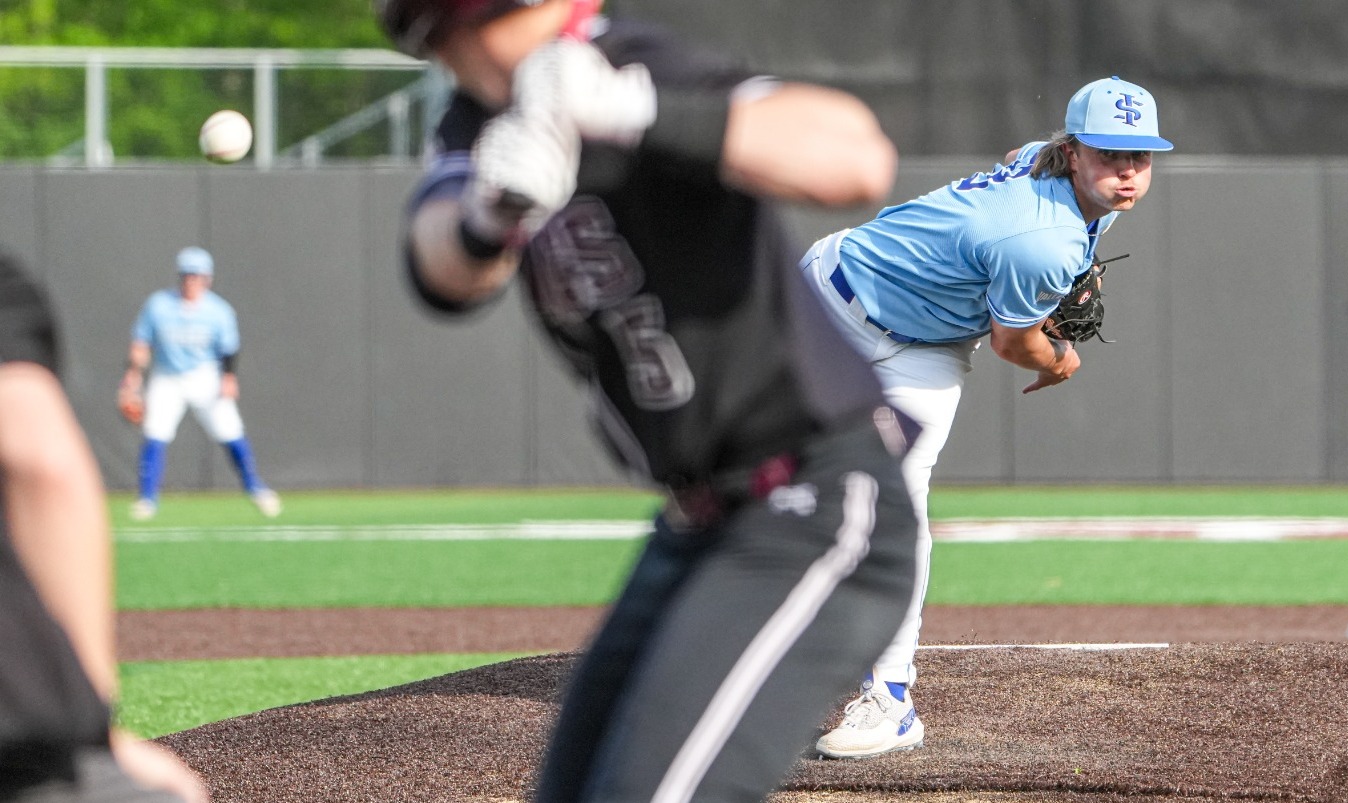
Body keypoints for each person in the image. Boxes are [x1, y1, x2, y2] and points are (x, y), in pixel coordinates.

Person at [376, 0, 920, 799]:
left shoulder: (624, 60)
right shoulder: (477, 116)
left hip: (813, 495)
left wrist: (633, 108)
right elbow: (440, 271)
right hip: (696, 519)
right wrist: (486, 218)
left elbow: (854, 160)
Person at [801, 75, 1173, 759]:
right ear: (1072, 151)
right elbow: (1012, 343)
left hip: (921, 352)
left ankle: (889, 699)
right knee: (762, 480)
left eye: (1139, 156)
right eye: (1108, 154)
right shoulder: (1043, 240)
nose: (1125, 171)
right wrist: (1058, 359)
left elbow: (1015, 159)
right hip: (824, 304)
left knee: (892, 510)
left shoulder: (1051, 169)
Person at [0, 249, 209, 802]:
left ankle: (253, 486)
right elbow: (40, 463)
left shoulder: (213, 313)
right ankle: (152, 493)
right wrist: (96, 726)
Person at [116, 247, 280, 521]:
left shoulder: (218, 311)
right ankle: (147, 499)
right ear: (179, 277)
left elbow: (229, 350)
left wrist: (228, 378)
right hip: (167, 376)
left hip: (205, 375)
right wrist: (132, 375)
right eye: (187, 275)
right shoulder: (159, 305)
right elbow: (141, 343)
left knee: (229, 430)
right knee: (155, 432)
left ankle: (255, 487)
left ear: (208, 279)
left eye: (197, 276)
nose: (191, 281)